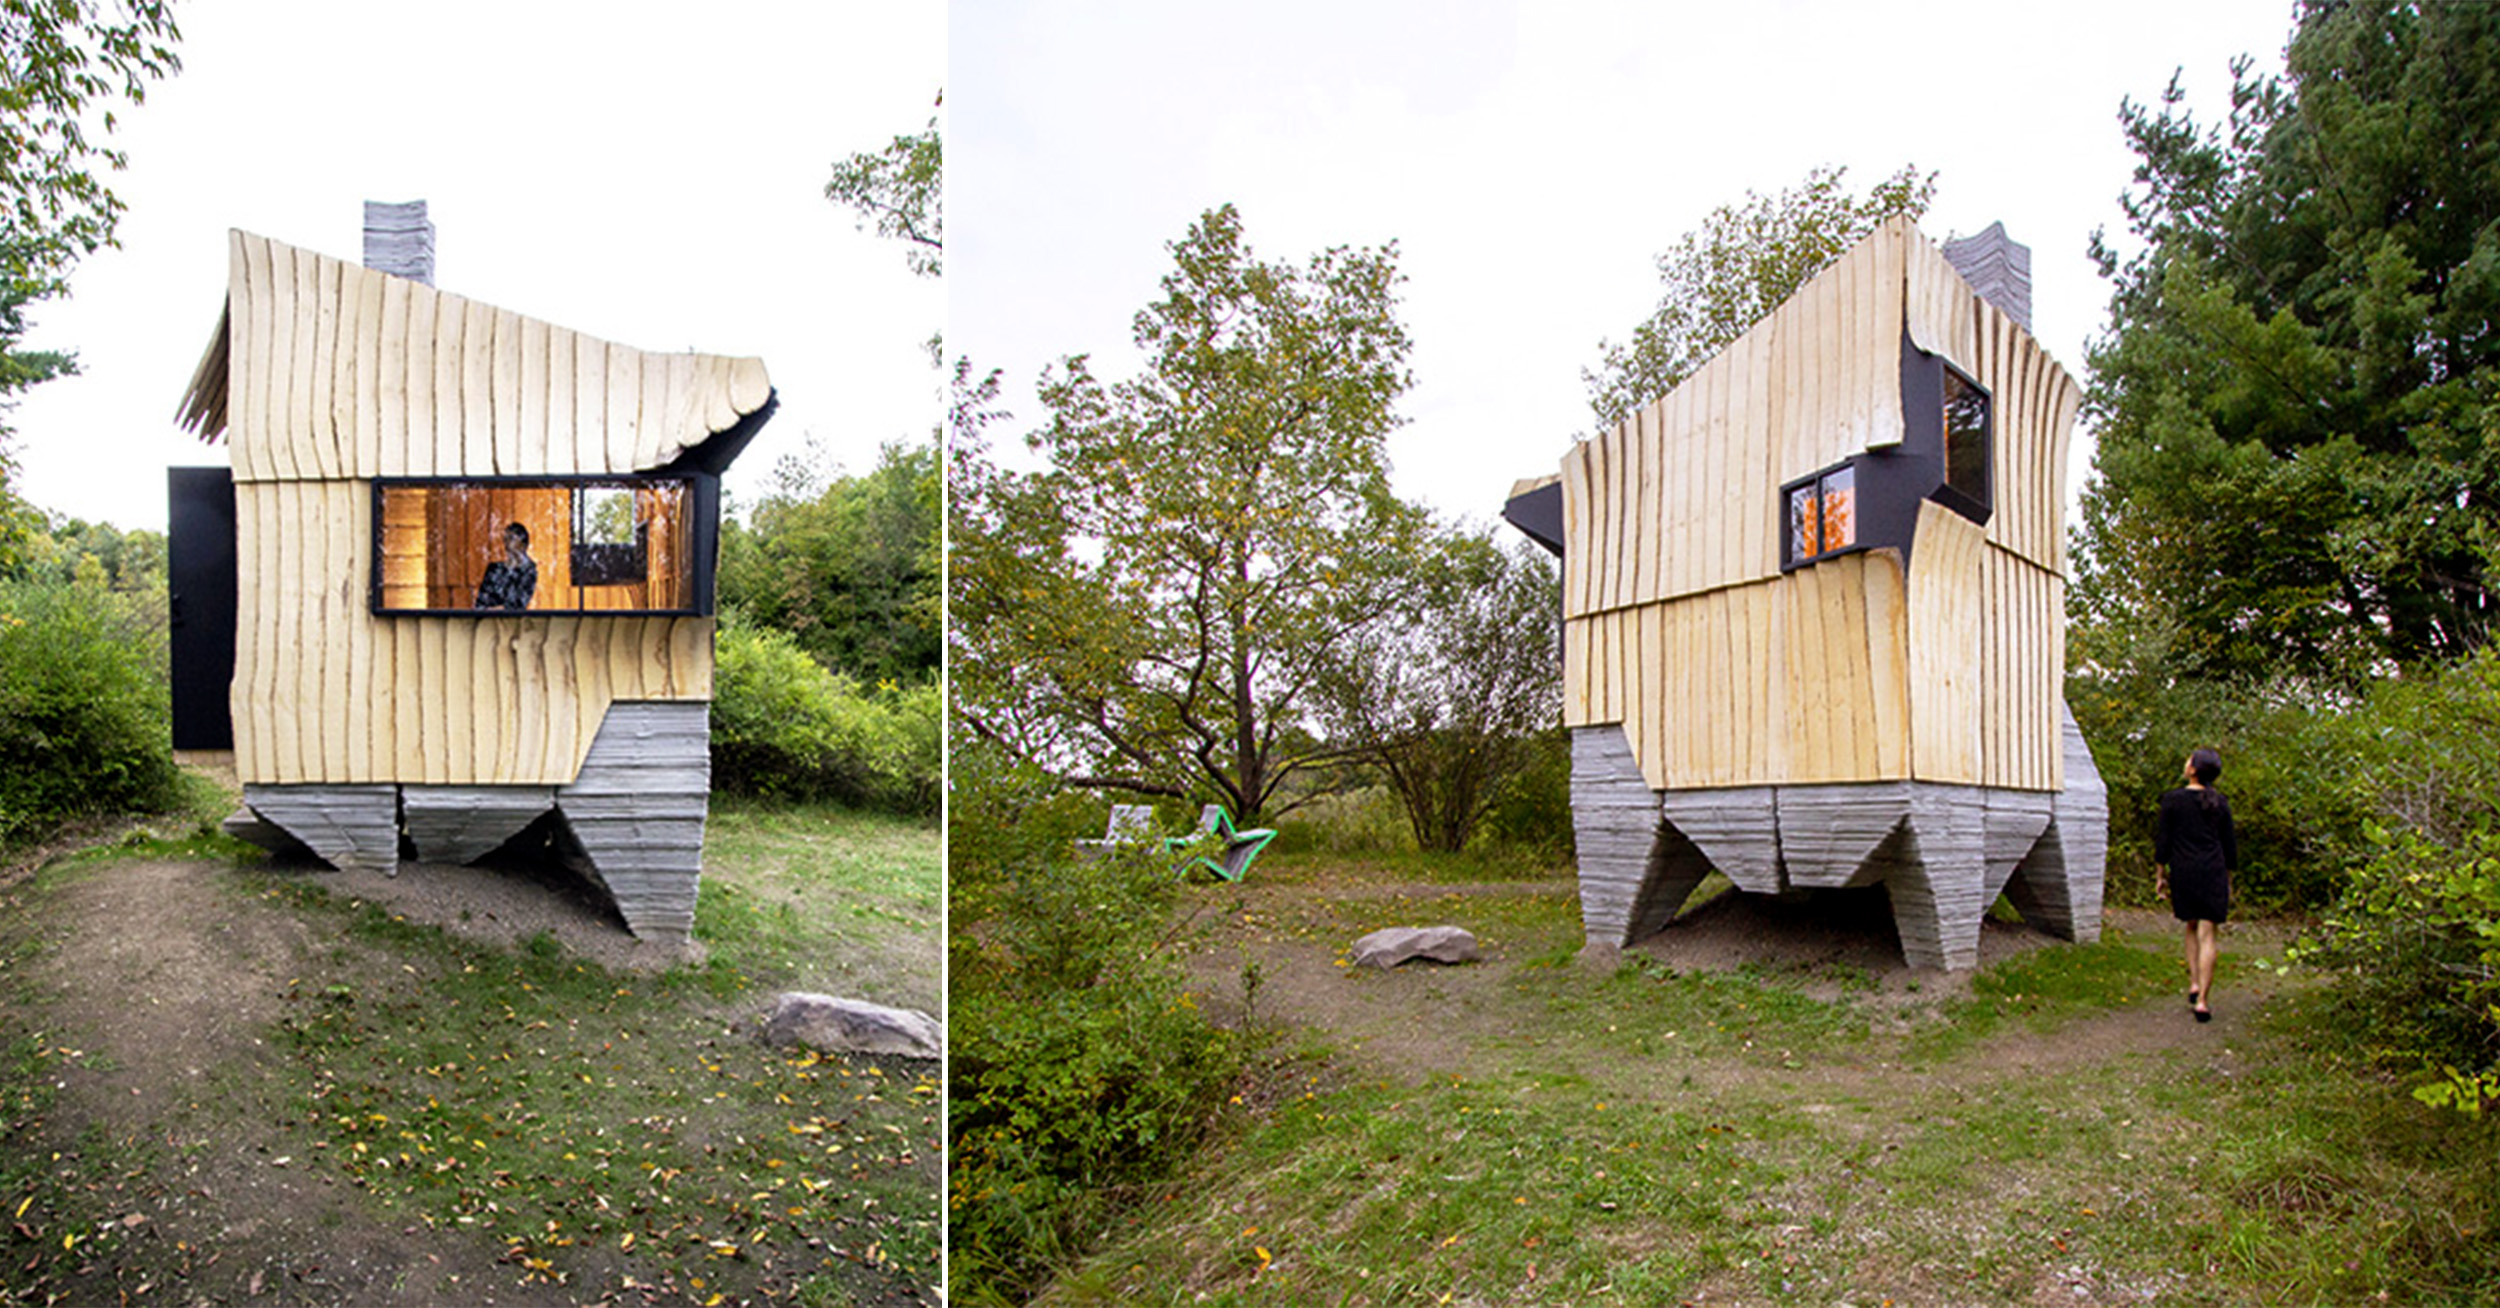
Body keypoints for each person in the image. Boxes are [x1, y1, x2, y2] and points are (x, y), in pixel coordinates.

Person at [2155, 747, 2236, 1023]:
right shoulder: (2220, 802)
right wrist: (2228, 879)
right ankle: (2202, 1000)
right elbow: (2229, 844)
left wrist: (2160, 874)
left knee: (2190, 925)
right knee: (2208, 934)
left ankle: (2194, 983)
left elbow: (2163, 841)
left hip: (2184, 870)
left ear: (2193, 770)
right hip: (2213, 870)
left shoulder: (2172, 800)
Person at [474, 521, 537, 610]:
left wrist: (495, 610)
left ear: (522, 545)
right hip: (489, 617)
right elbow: (481, 602)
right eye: (505, 538)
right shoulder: (494, 569)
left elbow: (518, 604)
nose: (506, 543)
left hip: (508, 618)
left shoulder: (528, 571)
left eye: (511, 538)